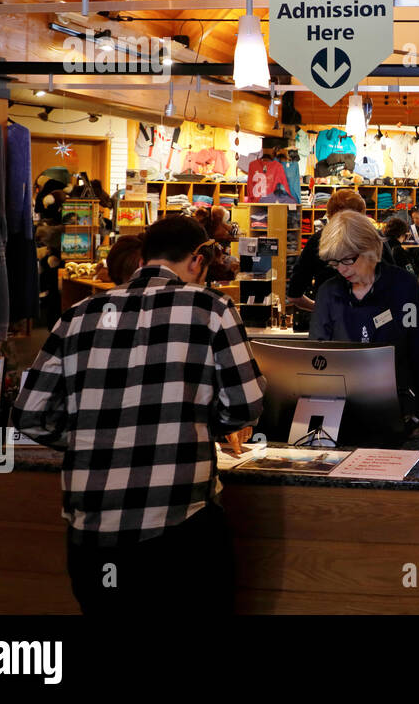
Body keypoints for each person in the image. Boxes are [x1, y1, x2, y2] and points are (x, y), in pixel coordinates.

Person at [13, 215, 265, 615]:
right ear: (198, 258)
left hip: (91, 530)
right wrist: (197, 428)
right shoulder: (212, 309)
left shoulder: (77, 314)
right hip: (180, 524)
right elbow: (245, 405)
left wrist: (93, 434)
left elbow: (30, 414)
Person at [311, 210, 419, 422]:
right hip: (342, 412)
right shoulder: (329, 293)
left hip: (399, 411)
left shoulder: (404, 286)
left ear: (368, 248)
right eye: (334, 263)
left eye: (348, 260)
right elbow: (315, 357)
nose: (341, 269)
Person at [287, 188, 367, 314]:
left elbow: (294, 296)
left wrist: (321, 309)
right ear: (361, 214)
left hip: (332, 324)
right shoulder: (377, 241)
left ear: (330, 214)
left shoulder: (318, 241)